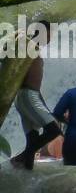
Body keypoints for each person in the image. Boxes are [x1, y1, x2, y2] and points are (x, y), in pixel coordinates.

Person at [9, 20, 63, 171]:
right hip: (28, 96)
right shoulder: (30, 48)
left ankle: (26, 171)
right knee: (54, 130)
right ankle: (22, 156)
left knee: (32, 139)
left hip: (26, 97)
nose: (51, 37)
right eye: (50, 33)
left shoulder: (32, 48)